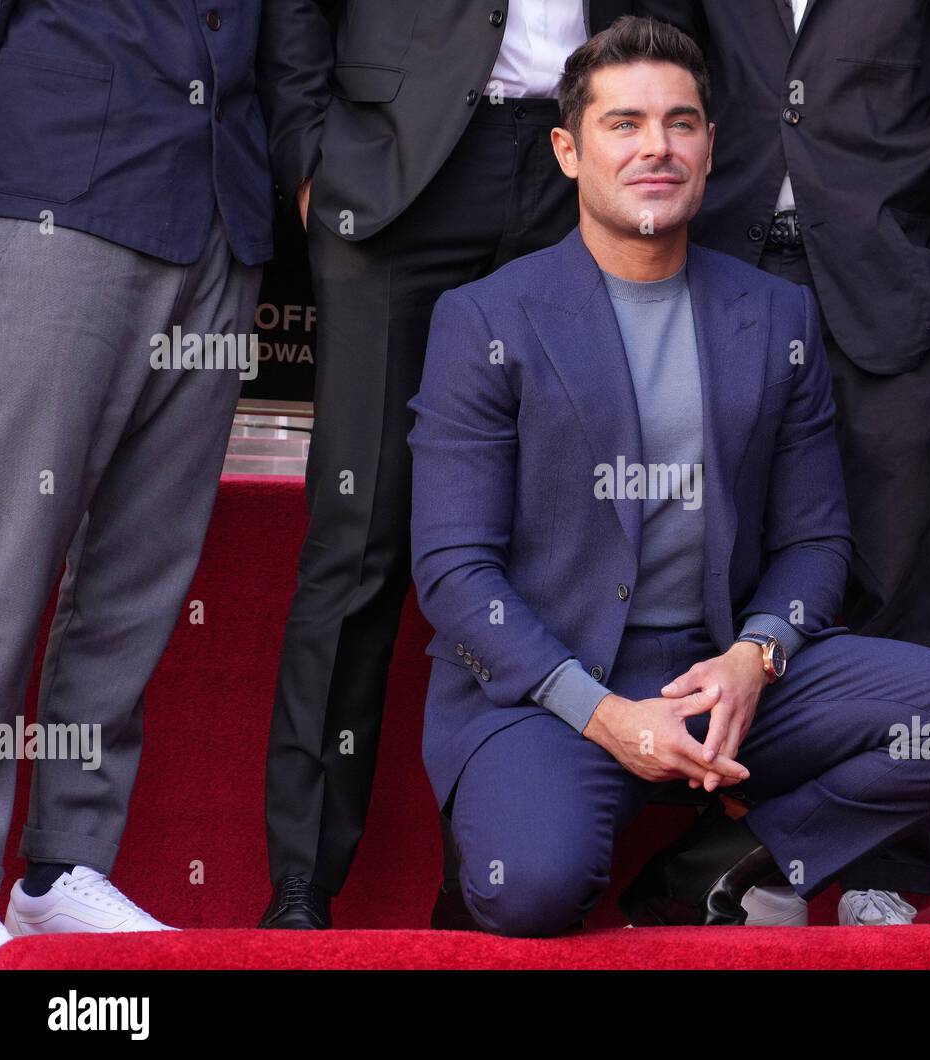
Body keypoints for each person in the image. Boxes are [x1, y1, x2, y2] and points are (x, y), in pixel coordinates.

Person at [409, 15, 930, 936]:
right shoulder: (484, 318)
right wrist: (605, 715)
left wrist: (758, 655)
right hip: (558, 683)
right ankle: (527, 836)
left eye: (681, 123)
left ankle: (722, 864)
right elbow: (456, 573)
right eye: (623, 124)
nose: (655, 147)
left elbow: (816, 537)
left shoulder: (776, 316)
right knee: (532, 887)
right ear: (567, 149)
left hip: (724, 677)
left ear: (710, 145)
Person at [254, 0, 696, 930]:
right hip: (395, 166)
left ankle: (488, 871)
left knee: (561, 535)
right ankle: (302, 880)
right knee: (360, 536)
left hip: (577, 154)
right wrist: (307, 161)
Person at [680, 0, 930, 925]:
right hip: (722, 265)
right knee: (727, 572)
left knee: (897, 576)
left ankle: (889, 862)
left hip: (888, 276)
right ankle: (746, 852)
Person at [0, 0, 271, 943]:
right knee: (6, 554)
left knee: (140, 572)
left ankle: (61, 867)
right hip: (56, 195)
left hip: (224, 218)